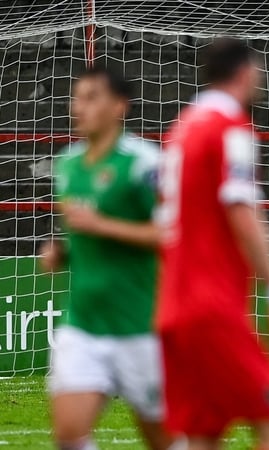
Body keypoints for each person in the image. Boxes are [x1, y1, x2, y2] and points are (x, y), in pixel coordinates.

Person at [156, 38, 269, 450]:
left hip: (175, 305)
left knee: (202, 437)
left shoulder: (183, 128)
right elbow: (241, 209)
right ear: (244, 72)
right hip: (212, 308)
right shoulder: (229, 128)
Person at [40, 67, 170, 450]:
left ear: (119, 107)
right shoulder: (67, 164)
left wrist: (103, 225)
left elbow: (170, 236)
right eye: (76, 97)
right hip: (83, 323)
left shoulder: (144, 163)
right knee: (68, 434)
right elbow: (82, 234)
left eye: (90, 97)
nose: (77, 107)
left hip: (138, 326)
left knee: (163, 440)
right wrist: (61, 252)